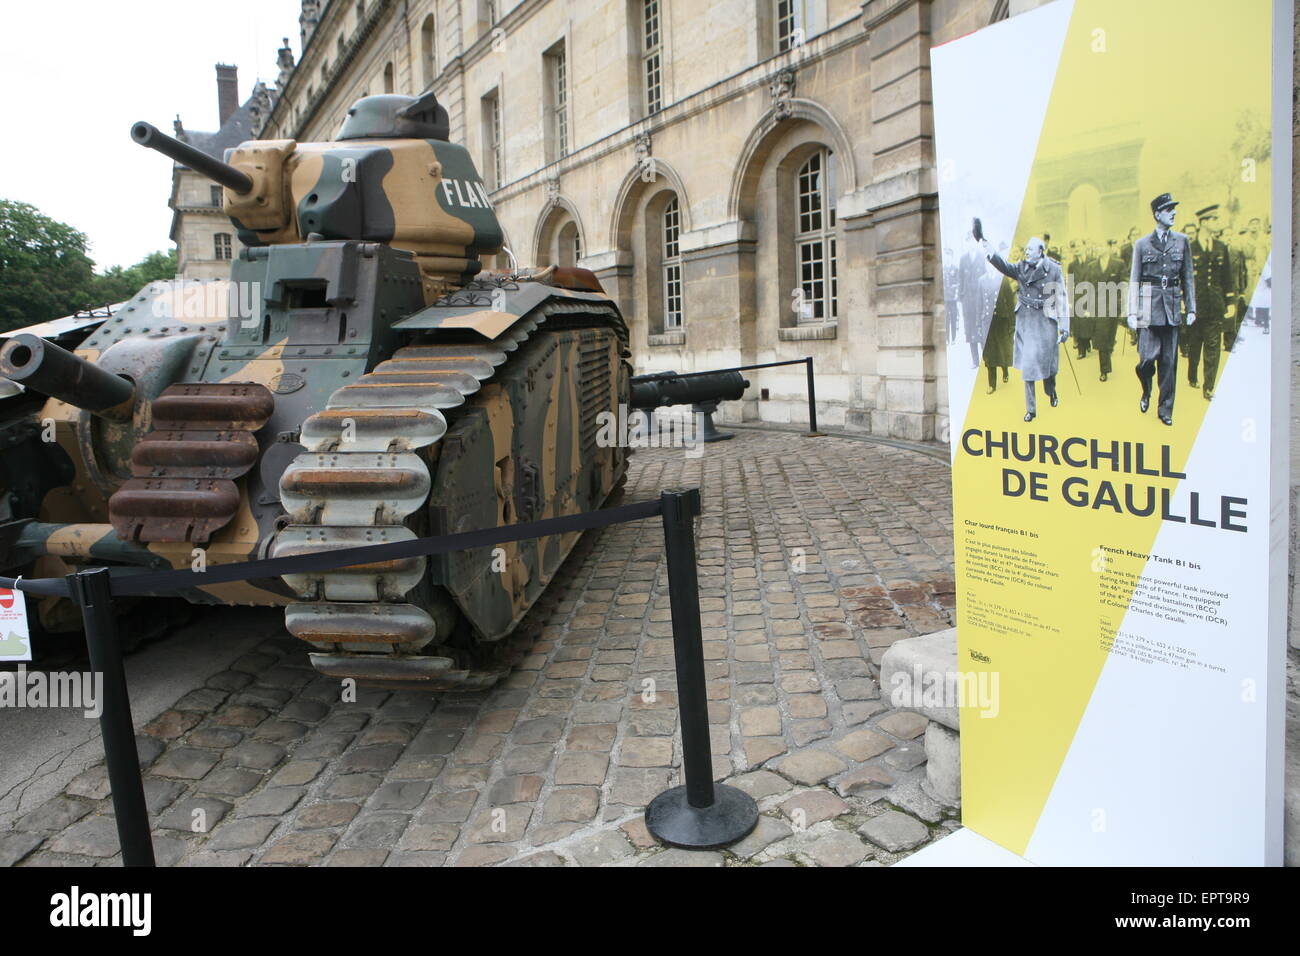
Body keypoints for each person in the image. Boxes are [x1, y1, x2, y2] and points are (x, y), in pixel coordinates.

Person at [979, 234, 1070, 421]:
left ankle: (1051, 391)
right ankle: (1031, 409)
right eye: (1026, 249)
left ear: (1040, 252)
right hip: (1026, 320)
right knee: (1029, 367)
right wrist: (989, 249)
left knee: (1048, 367)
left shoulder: (1053, 269)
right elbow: (1004, 266)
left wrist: (1065, 327)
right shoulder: (1021, 267)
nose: (1026, 252)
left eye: (1030, 249)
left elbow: (1061, 298)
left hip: (1046, 321)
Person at [1127, 193, 1196, 426]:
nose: (1174, 213)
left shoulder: (1182, 241)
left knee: (1169, 363)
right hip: (1147, 309)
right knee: (1146, 360)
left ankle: (1165, 409)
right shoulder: (1142, 244)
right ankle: (1146, 389)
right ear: (1157, 214)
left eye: (1174, 209)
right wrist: (1130, 312)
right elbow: (1134, 279)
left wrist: (1191, 308)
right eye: (1168, 210)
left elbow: (1188, 277)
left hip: (1172, 308)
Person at [1187, 205, 1232, 399]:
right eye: (1213, 219)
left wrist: (1229, 302)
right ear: (1204, 222)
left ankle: (1209, 386)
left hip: (1215, 305)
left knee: (1213, 346)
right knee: (1195, 343)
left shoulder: (1221, 247)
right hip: (1196, 305)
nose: (1216, 223)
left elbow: (1227, 278)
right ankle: (1192, 374)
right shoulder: (1189, 248)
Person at [1091, 238, 1127, 381]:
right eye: (1096, 246)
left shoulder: (1118, 264)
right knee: (1102, 335)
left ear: (1108, 247)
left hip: (1114, 304)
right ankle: (1104, 369)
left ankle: (1109, 347)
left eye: (1101, 246)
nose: (1098, 249)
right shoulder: (1092, 266)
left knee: (1110, 334)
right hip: (1099, 305)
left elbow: (1124, 282)